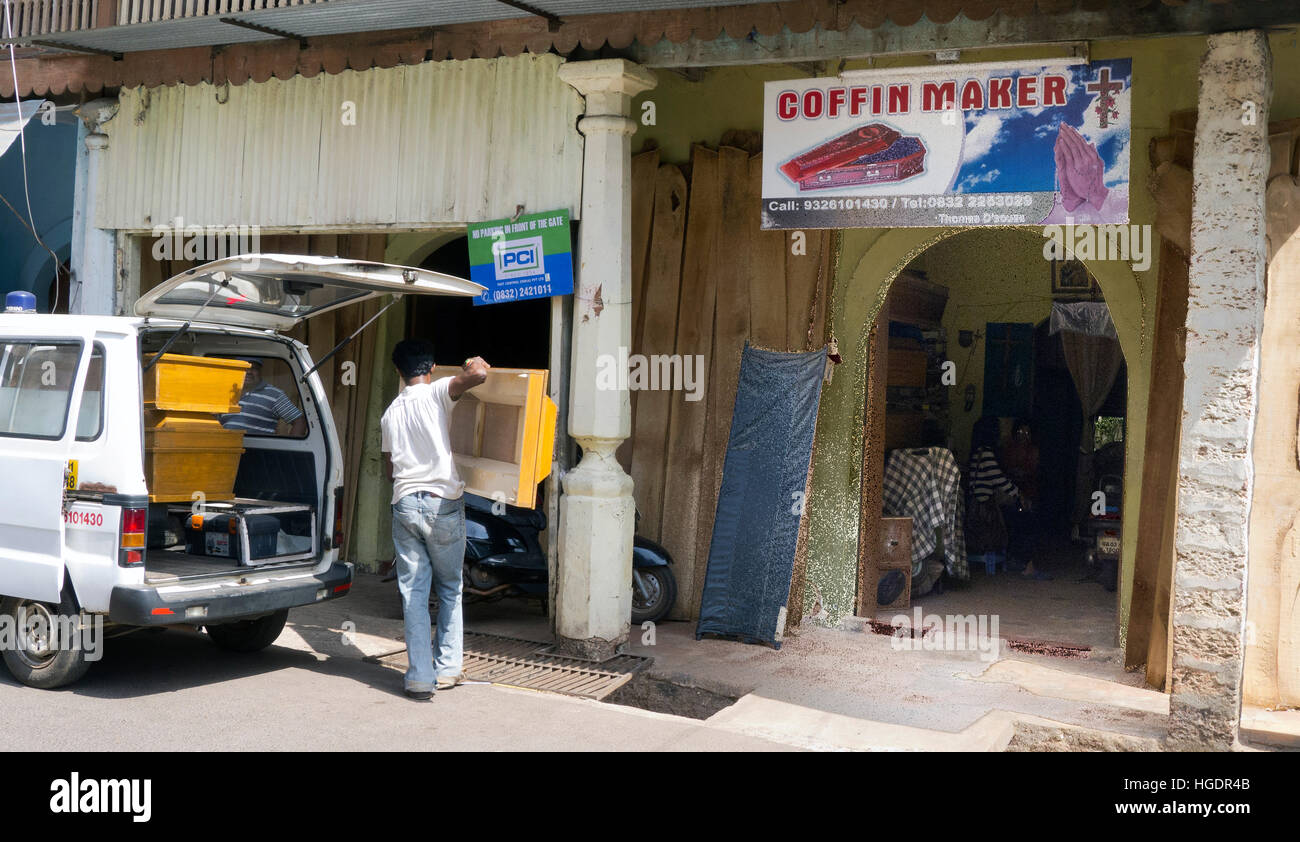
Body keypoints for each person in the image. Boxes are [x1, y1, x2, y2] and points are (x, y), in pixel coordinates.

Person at [381, 339, 489, 701]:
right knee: (449, 588)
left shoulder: (390, 412)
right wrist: (471, 359)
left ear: (398, 371)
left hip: (404, 503)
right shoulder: (438, 391)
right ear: (431, 368)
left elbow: (389, 469)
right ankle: (447, 670)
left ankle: (419, 678)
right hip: (442, 503)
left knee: (413, 594)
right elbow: (480, 374)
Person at [968, 416, 1047, 579]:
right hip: (986, 511)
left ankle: (1019, 561)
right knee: (1027, 521)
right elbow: (998, 479)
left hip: (984, 505)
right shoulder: (987, 453)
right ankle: (1025, 563)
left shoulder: (977, 452)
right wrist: (1019, 494)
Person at [219, 356, 307, 436]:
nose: (249, 372)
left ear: (260, 371)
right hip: (227, 450)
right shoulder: (227, 393)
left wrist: (290, 450)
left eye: (253, 368)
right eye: (244, 368)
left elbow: (299, 421)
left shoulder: (275, 395)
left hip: (259, 452)